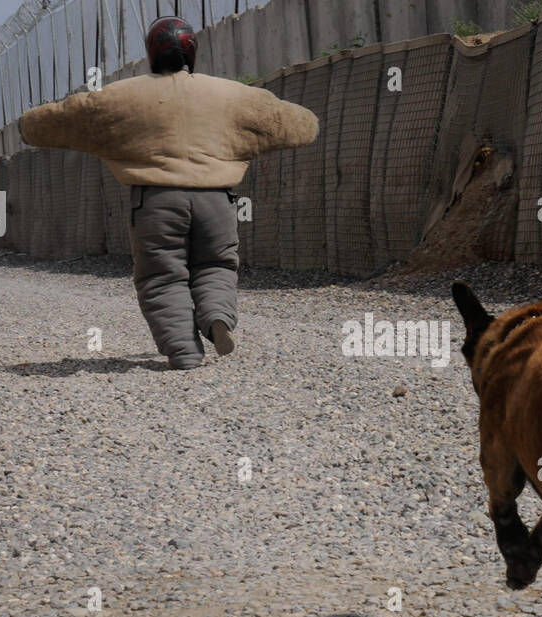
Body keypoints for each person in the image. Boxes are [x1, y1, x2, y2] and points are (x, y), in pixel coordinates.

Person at [19, 16, 318, 369]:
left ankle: (185, 352)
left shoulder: (122, 96)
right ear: (192, 52)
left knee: (162, 276)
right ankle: (216, 317)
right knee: (216, 266)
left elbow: (70, 116)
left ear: (151, 54)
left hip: (156, 203)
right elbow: (300, 124)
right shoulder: (231, 94)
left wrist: (28, 127)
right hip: (217, 202)